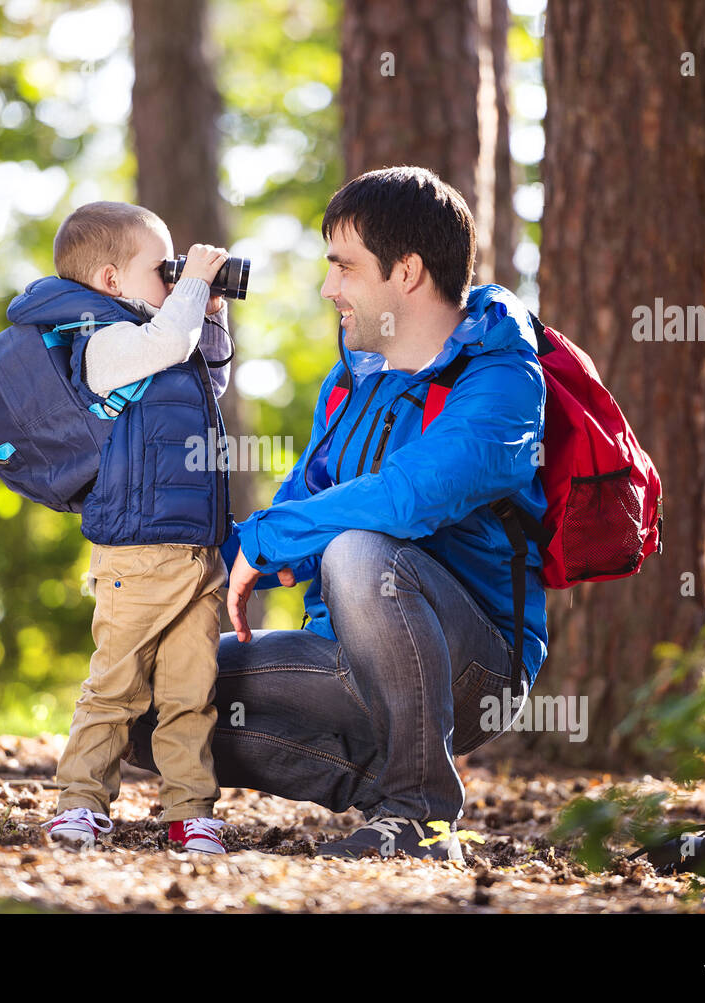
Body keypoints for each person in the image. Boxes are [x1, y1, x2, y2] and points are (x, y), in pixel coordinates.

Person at [123, 167, 549, 862]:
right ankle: (391, 788)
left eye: (343, 268)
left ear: (406, 272)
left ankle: (420, 816)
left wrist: (269, 541)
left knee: (358, 550)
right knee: (150, 694)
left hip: (473, 669)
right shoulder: (353, 379)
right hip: (342, 657)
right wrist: (187, 569)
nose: (329, 290)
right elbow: (298, 504)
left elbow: (411, 495)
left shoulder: (501, 379)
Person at [6, 201, 247, 854]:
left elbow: (207, 377)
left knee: (190, 695)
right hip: (135, 559)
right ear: (112, 281)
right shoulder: (105, 344)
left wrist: (211, 312)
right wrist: (193, 285)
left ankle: (189, 811)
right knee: (115, 689)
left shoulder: (160, 337)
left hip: (197, 555)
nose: (173, 281)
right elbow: (170, 341)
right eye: (161, 269)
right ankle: (80, 802)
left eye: (176, 272)